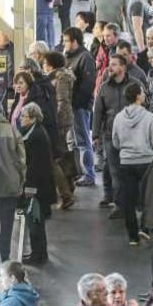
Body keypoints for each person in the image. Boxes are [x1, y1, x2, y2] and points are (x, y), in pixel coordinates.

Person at [93, 54, 143, 215]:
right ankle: (120, 206)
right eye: (110, 64)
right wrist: (95, 135)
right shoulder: (104, 87)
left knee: (134, 170)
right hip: (110, 134)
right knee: (115, 171)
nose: (110, 67)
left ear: (123, 67)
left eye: (114, 64)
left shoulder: (135, 84)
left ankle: (136, 201)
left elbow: (145, 106)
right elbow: (98, 111)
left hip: (133, 135)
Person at [112, 82, 153, 245]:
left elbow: (115, 142)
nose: (144, 95)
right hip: (146, 161)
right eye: (142, 93)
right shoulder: (149, 117)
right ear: (138, 96)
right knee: (147, 197)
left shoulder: (118, 117)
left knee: (128, 200)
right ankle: (144, 229)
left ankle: (132, 236)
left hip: (126, 162)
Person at [20, 103, 56, 265]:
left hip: (37, 188)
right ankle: (38, 252)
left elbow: (36, 166)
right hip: (41, 186)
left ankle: (38, 255)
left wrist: (30, 188)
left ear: (33, 118)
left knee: (35, 220)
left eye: (24, 117)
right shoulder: (36, 132)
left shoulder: (36, 137)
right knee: (36, 221)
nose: (21, 120)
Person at [62, 27, 97, 187]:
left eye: (66, 40)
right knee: (74, 142)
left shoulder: (85, 58)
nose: (64, 43)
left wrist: (77, 104)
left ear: (74, 42)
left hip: (79, 107)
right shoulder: (68, 57)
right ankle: (79, 172)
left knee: (83, 141)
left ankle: (89, 174)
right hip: (71, 106)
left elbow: (87, 85)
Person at [44, 51, 76, 210]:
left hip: (60, 121)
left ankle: (66, 193)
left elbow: (62, 101)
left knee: (57, 157)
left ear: (50, 65)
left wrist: (55, 120)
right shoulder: (63, 76)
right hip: (64, 120)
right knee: (62, 154)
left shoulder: (60, 79)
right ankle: (69, 186)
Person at [0, 115, 26, 262]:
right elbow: (21, 161)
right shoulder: (12, 131)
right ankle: (4, 256)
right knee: (7, 224)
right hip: (10, 184)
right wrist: (21, 181)